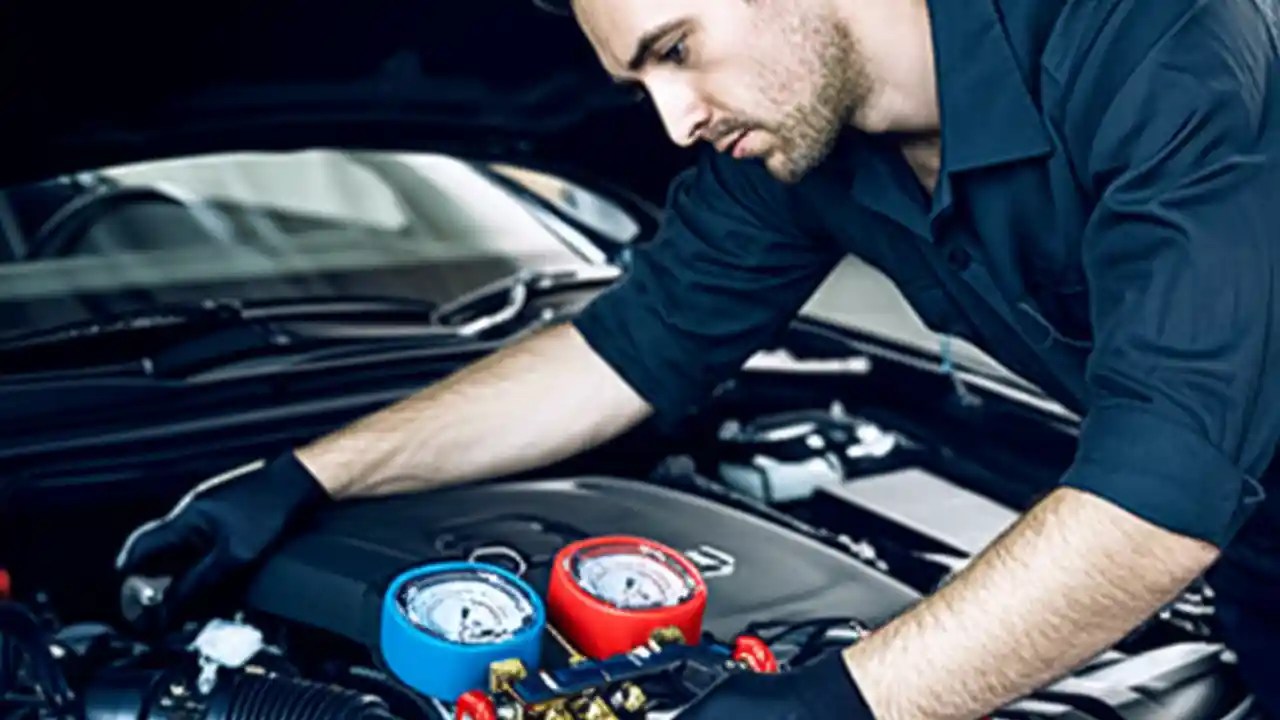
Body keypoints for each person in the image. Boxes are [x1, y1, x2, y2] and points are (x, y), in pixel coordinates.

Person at [116, 0, 1280, 717]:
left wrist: (836, 704)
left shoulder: (1151, 37)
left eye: (676, 50)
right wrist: (309, 477)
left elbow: (1161, 481)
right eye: (642, 82)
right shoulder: (798, 148)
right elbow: (626, 347)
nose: (673, 121)